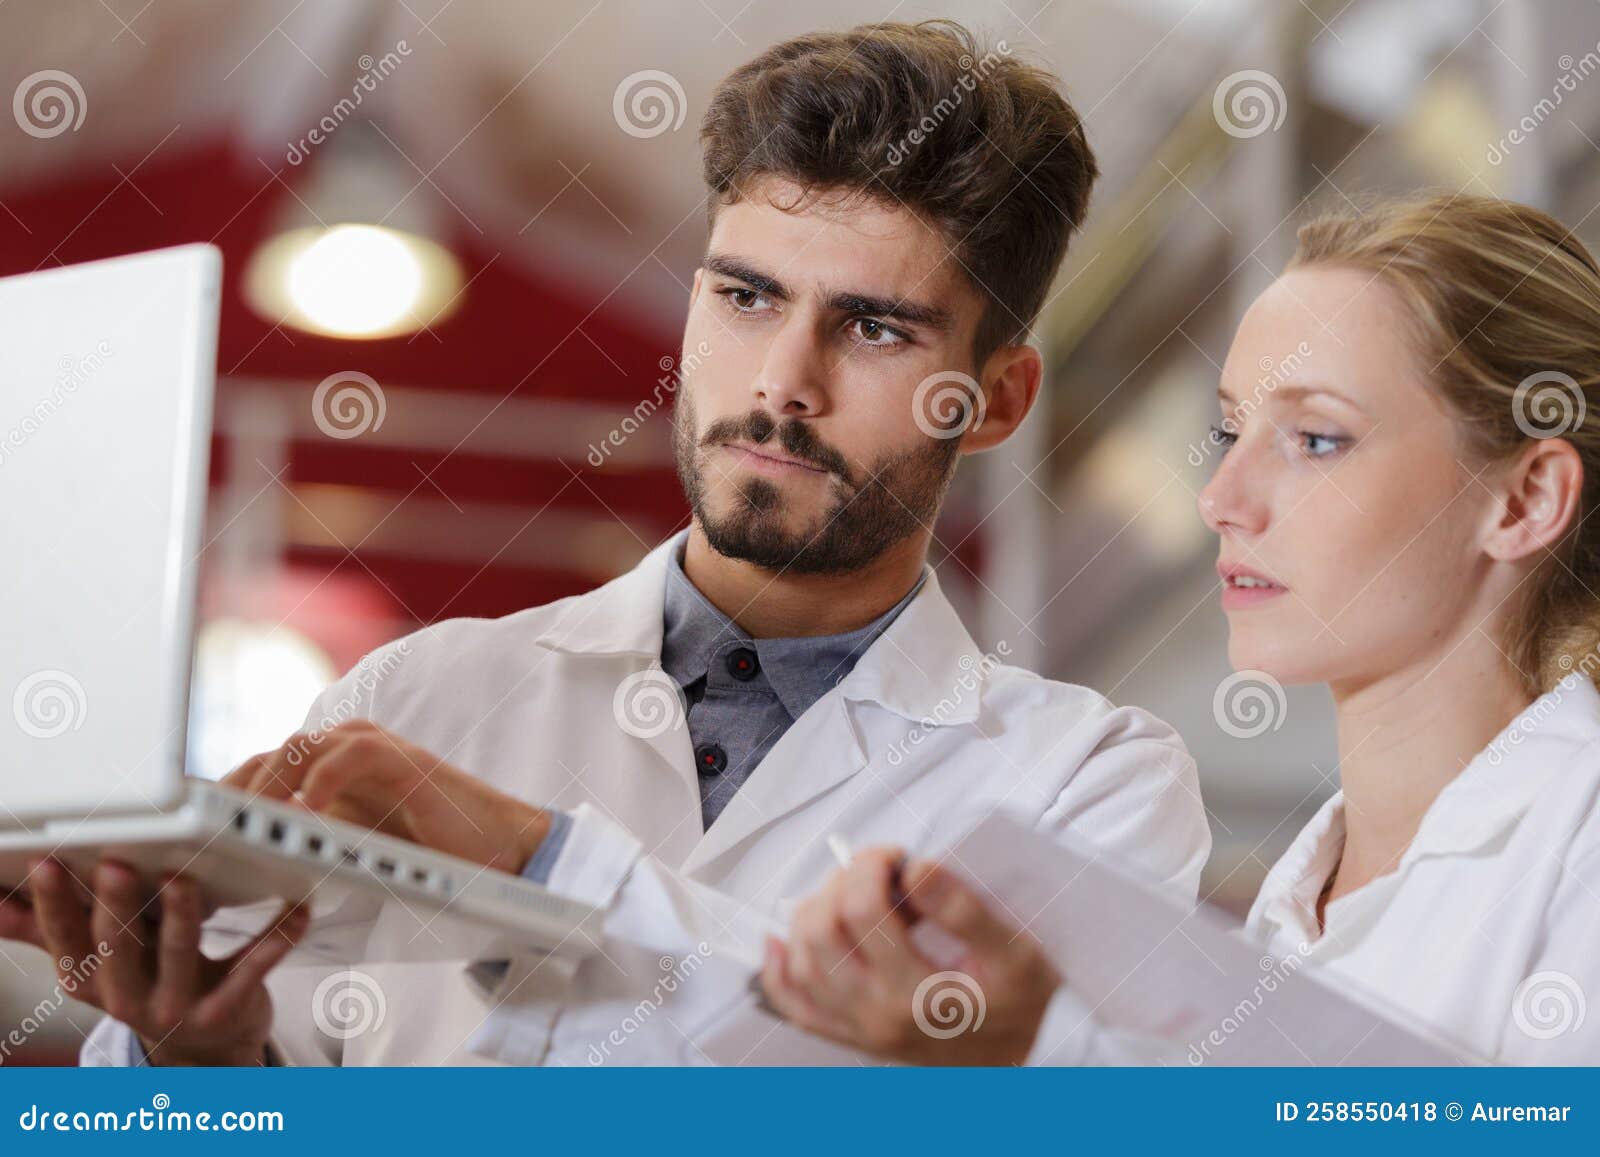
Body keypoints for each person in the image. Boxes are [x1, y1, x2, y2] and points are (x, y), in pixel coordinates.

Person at [0, 21, 1210, 1067]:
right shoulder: (419, 695)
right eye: (745, 297)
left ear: (995, 400)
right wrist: (199, 1052)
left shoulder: (1088, 782)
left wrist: (535, 856)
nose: (784, 384)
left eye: (875, 328)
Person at [762, 191, 1600, 1065]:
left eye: (1316, 439)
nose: (1220, 500)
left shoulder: (1579, 838)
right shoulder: (1295, 898)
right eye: (1230, 430)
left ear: (1526, 498)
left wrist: (1049, 1053)